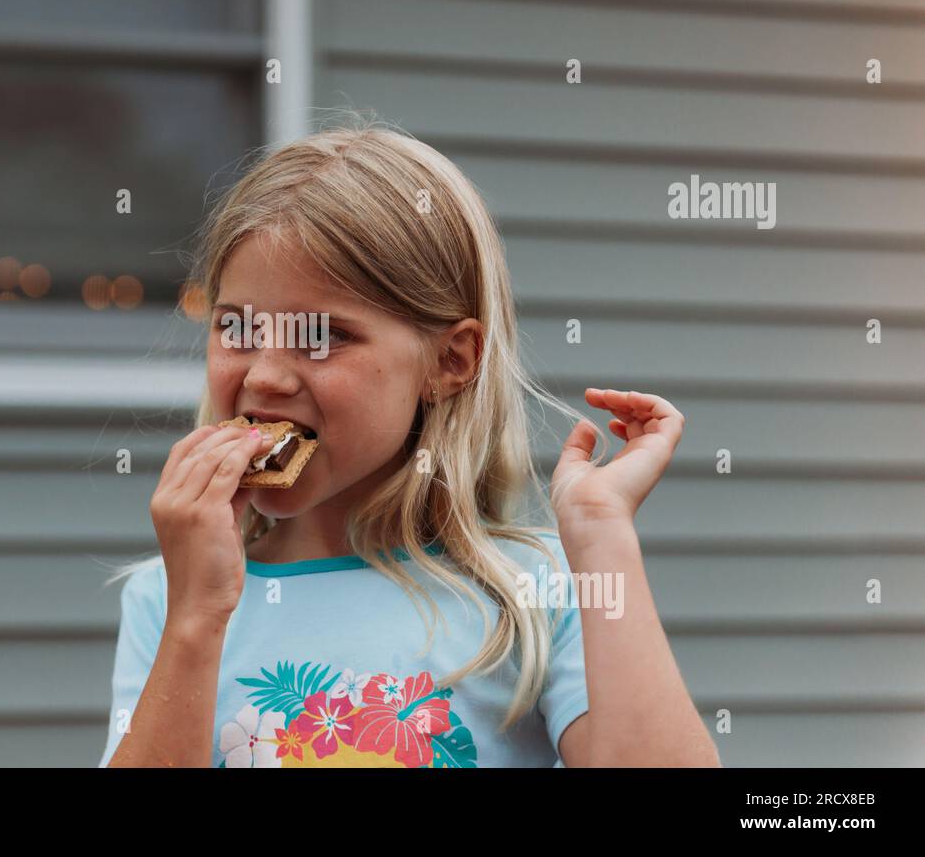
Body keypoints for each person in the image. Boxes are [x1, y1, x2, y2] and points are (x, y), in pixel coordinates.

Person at [97, 115, 721, 768]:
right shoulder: (171, 596)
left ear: (449, 362)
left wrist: (601, 535)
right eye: (236, 328)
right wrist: (195, 617)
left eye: (321, 335)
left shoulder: (534, 592)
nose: (264, 374)